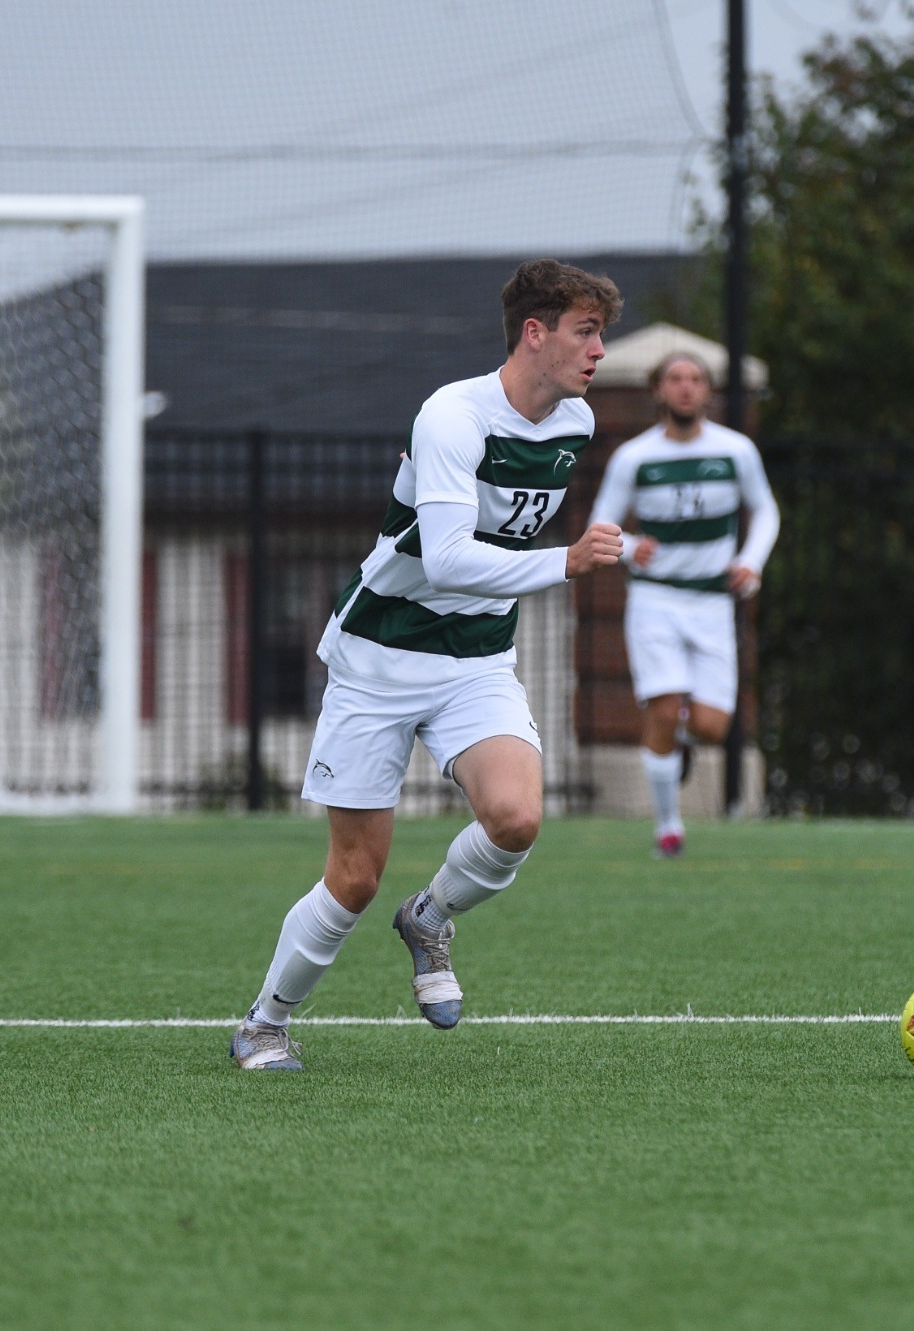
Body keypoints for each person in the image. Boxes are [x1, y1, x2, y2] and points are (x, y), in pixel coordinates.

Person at [231, 259, 627, 1071]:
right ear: (535, 332)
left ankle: (431, 917)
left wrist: (555, 565)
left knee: (516, 819)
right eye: (586, 332)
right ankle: (265, 1021)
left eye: (601, 335)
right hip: (380, 655)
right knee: (353, 876)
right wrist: (567, 564)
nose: (598, 352)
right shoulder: (452, 416)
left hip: (477, 658)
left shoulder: (575, 426)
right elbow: (446, 559)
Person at [588, 352, 779, 858]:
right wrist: (630, 546)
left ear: (708, 391)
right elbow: (601, 525)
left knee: (713, 726)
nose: (686, 388)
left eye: (696, 380)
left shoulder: (735, 451)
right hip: (654, 599)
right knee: (665, 706)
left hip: (712, 602)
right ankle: (668, 829)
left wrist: (751, 561)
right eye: (675, 379)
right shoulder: (635, 456)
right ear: (658, 391)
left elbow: (765, 510)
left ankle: (685, 742)